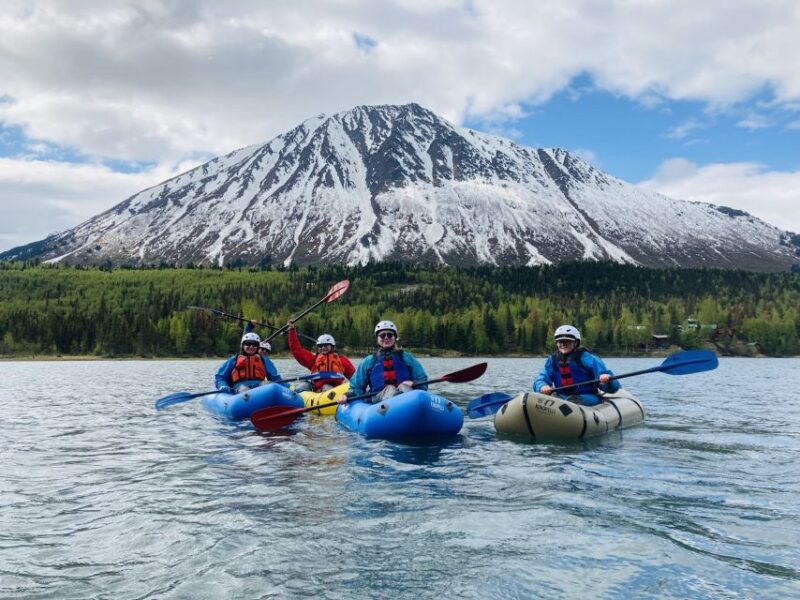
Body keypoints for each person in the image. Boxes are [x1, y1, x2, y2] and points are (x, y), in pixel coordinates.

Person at [534, 325, 620, 406]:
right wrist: (542, 386)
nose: (563, 344)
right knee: (554, 398)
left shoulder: (588, 359)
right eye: (560, 341)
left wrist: (607, 381)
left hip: (587, 396)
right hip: (562, 397)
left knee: (573, 400)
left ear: (575, 343)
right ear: (556, 343)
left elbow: (613, 387)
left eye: (567, 340)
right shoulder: (552, 360)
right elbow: (541, 379)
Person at [343, 320, 428, 402]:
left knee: (404, 386)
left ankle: (409, 407)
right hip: (379, 398)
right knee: (390, 389)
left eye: (390, 335)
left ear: (395, 337)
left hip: (405, 394)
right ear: (377, 339)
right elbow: (357, 386)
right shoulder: (369, 361)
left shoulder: (406, 358)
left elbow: (422, 380)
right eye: (382, 335)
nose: (386, 338)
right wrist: (348, 395)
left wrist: (414, 383)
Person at [286, 321, 355, 391]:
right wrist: (292, 331)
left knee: (327, 387)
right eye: (320, 346)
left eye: (326, 345)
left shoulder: (342, 360)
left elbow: (355, 377)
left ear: (332, 346)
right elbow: (296, 350)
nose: (323, 347)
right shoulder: (313, 360)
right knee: (303, 386)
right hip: (316, 388)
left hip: (335, 389)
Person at [215, 331, 282, 394]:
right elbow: (220, 377)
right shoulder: (234, 360)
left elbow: (276, 379)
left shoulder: (263, 360)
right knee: (244, 389)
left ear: (257, 347)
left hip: (260, 385)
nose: (251, 346)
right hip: (240, 387)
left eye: (254, 345)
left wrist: (292, 387)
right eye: (248, 344)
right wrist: (222, 385)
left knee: (267, 385)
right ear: (243, 345)